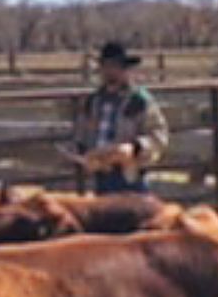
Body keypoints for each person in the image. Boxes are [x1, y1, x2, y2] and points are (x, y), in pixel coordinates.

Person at [71, 42, 169, 195]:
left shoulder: (139, 100)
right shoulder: (92, 102)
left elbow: (158, 134)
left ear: (125, 69)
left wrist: (135, 148)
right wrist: (85, 156)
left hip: (130, 175)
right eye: (106, 66)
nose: (111, 71)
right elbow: (81, 134)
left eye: (116, 66)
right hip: (101, 176)